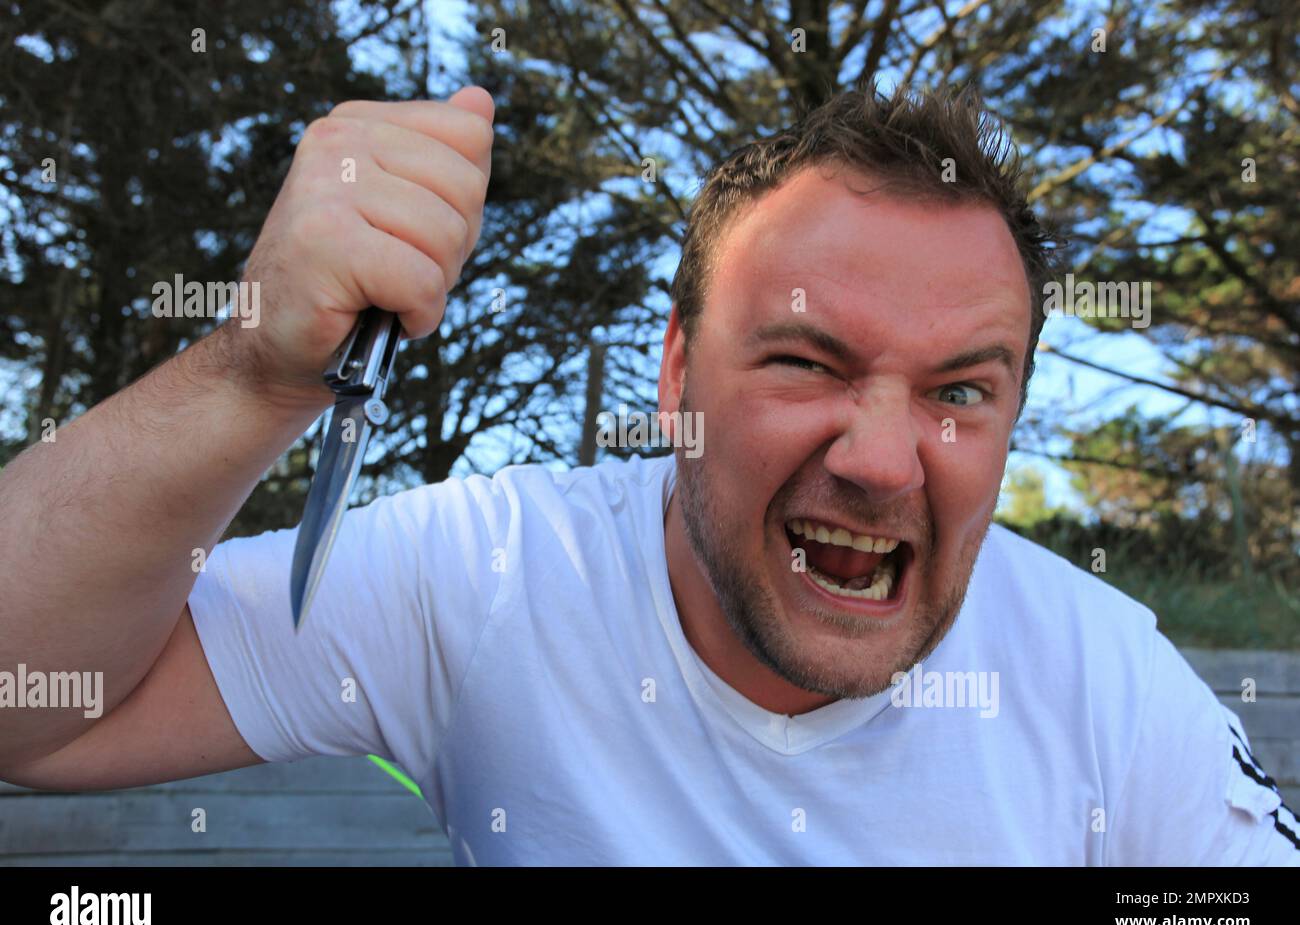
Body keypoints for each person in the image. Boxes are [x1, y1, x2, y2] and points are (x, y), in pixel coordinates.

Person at [0, 83, 1294, 866]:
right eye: (804, 360)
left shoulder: (1112, 688)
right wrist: (252, 375)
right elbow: (26, 707)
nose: (883, 460)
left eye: (962, 390)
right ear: (675, 379)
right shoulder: (491, 577)